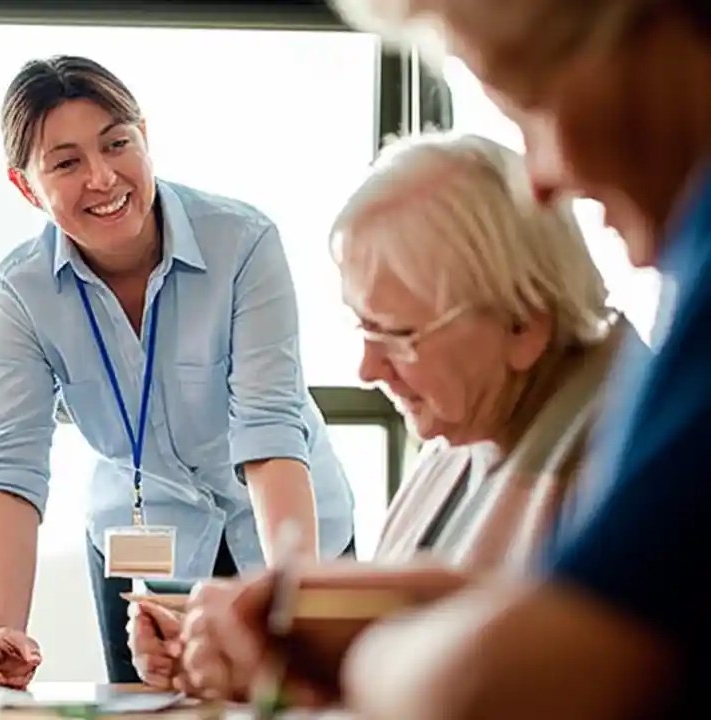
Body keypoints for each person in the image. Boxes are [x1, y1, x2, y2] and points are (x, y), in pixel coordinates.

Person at [176, 1, 711, 717]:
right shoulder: (457, 452)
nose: (545, 180)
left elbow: (503, 683)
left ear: (524, 322)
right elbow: (567, 597)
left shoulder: (620, 415)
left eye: (398, 334)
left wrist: (340, 655)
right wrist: (308, 617)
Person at [134, 131, 640, 697]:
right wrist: (245, 650)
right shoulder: (469, 434)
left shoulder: (622, 459)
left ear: (523, 322)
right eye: (363, 327)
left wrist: (292, 676)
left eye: (397, 334)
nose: (367, 368)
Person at [0, 54, 356, 687]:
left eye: (117, 143)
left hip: (285, 531)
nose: (102, 177)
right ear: (25, 186)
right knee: (148, 706)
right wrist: (2, 630)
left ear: (144, 135)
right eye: (65, 163)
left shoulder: (243, 242)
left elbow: (269, 427)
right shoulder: (23, 291)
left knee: (300, 699)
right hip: (145, 542)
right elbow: (10, 465)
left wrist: (295, 594)